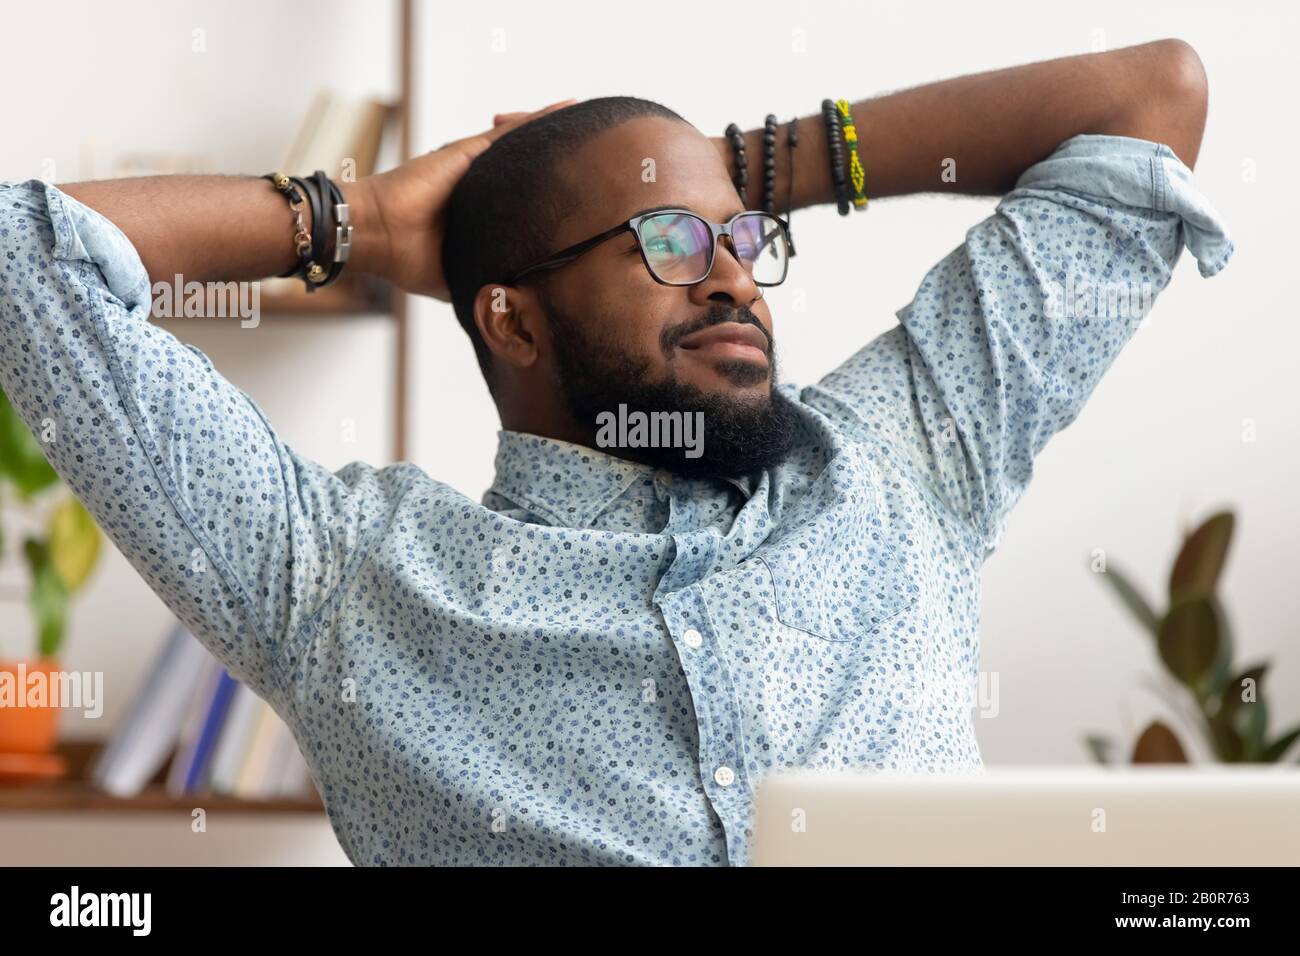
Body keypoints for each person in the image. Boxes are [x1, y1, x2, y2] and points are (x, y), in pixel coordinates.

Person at [0, 39, 1232, 866]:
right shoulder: (345, 582)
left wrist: (737, 166)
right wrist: (362, 219)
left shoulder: (905, 453)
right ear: (511, 315)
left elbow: (1149, 100)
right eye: (670, 244)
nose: (739, 278)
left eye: (746, 241)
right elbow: (21, 260)